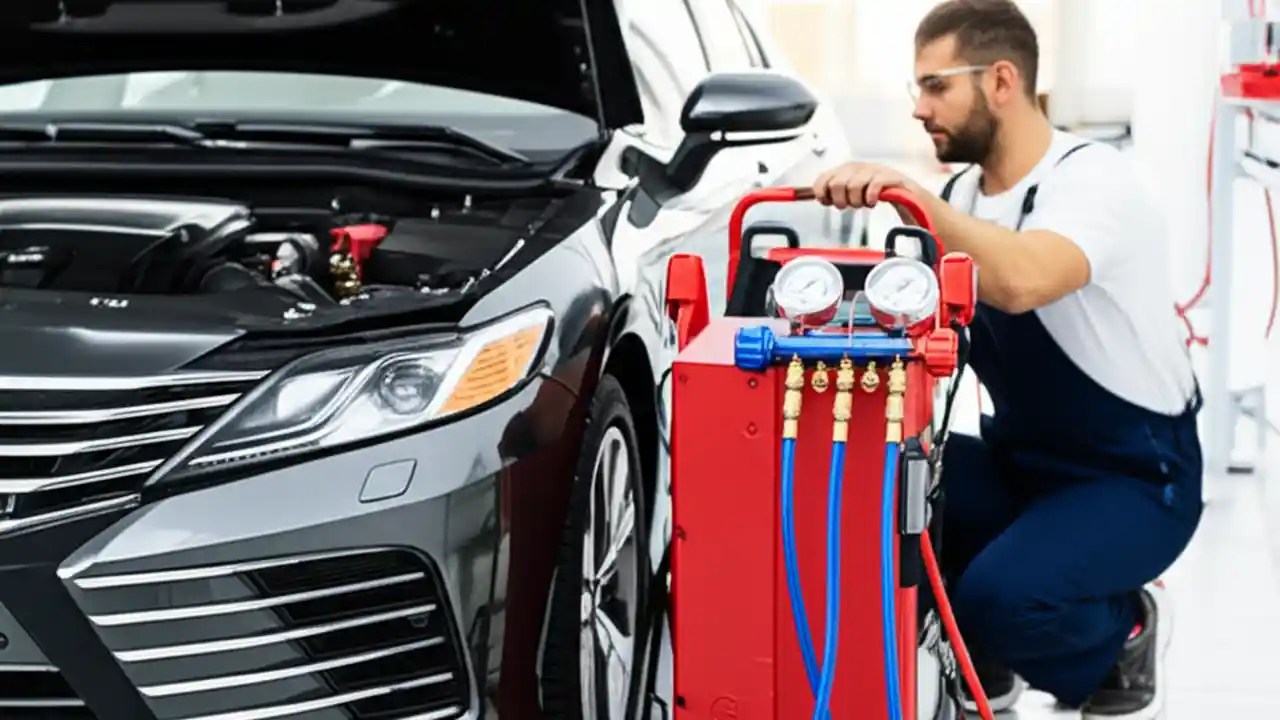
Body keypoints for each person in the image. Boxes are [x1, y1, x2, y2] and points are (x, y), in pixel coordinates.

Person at [811, 1, 1203, 717]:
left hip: (1135, 479)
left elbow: (1022, 278)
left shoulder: (1091, 182)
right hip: (1024, 462)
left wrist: (911, 199)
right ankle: (982, 655)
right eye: (916, 89)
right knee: (870, 475)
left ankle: (1122, 633)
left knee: (1003, 596)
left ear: (1000, 81)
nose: (919, 109)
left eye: (936, 87)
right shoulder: (966, 196)